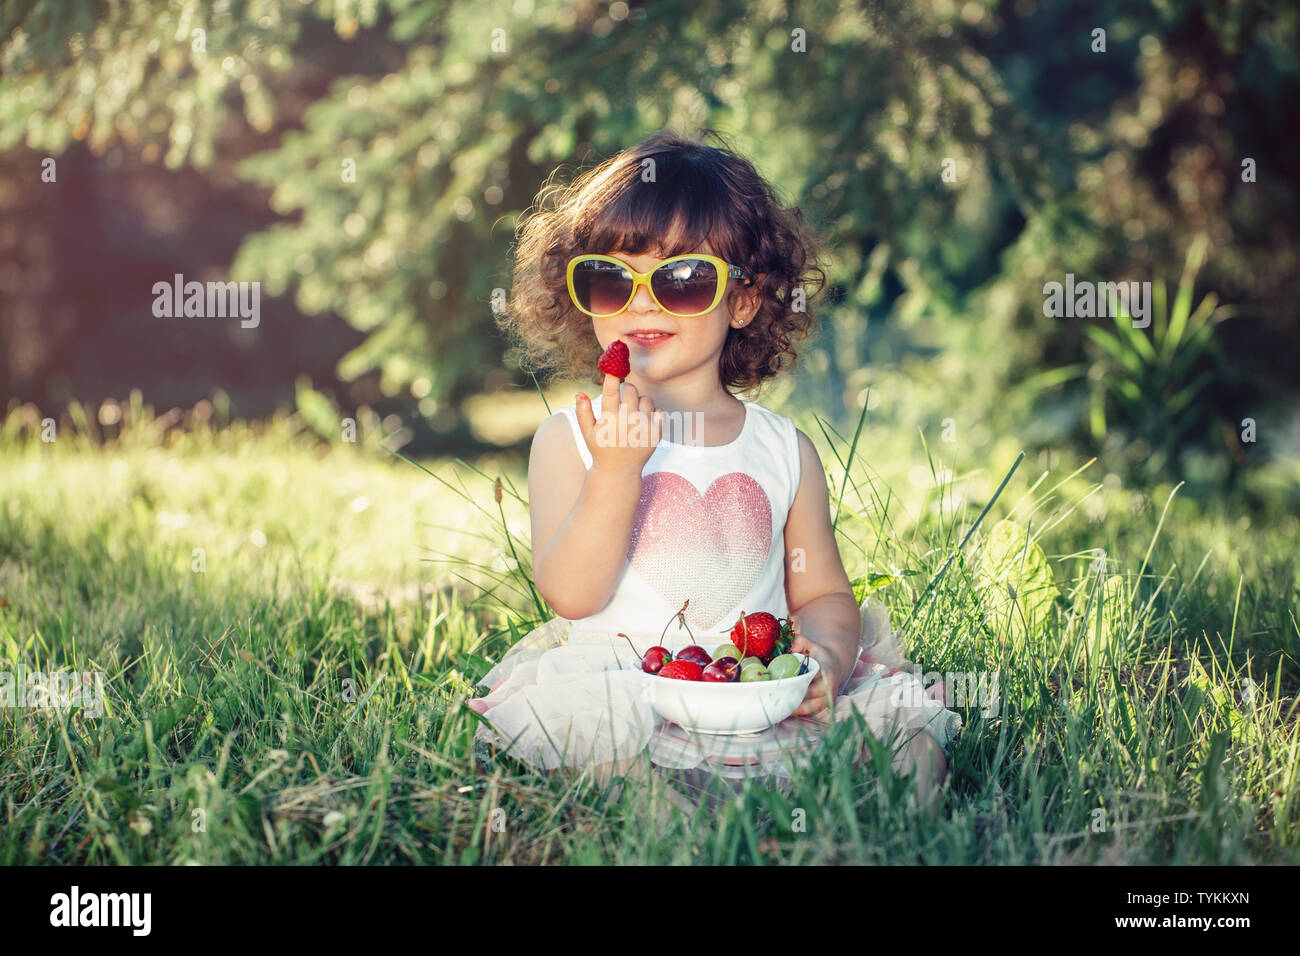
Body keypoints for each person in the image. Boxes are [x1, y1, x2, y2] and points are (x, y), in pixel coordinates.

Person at [470, 128, 960, 809]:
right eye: (611, 278)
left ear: (744, 300)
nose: (642, 302)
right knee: (605, 756)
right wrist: (617, 471)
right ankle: (680, 825)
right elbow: (572, 595)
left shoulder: (783, 451)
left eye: (683, 279)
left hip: (757, 693)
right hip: (629, 689)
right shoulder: (570, 441)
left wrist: (826, 659)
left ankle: (834, 828)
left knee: (910, 744)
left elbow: (822, 595)